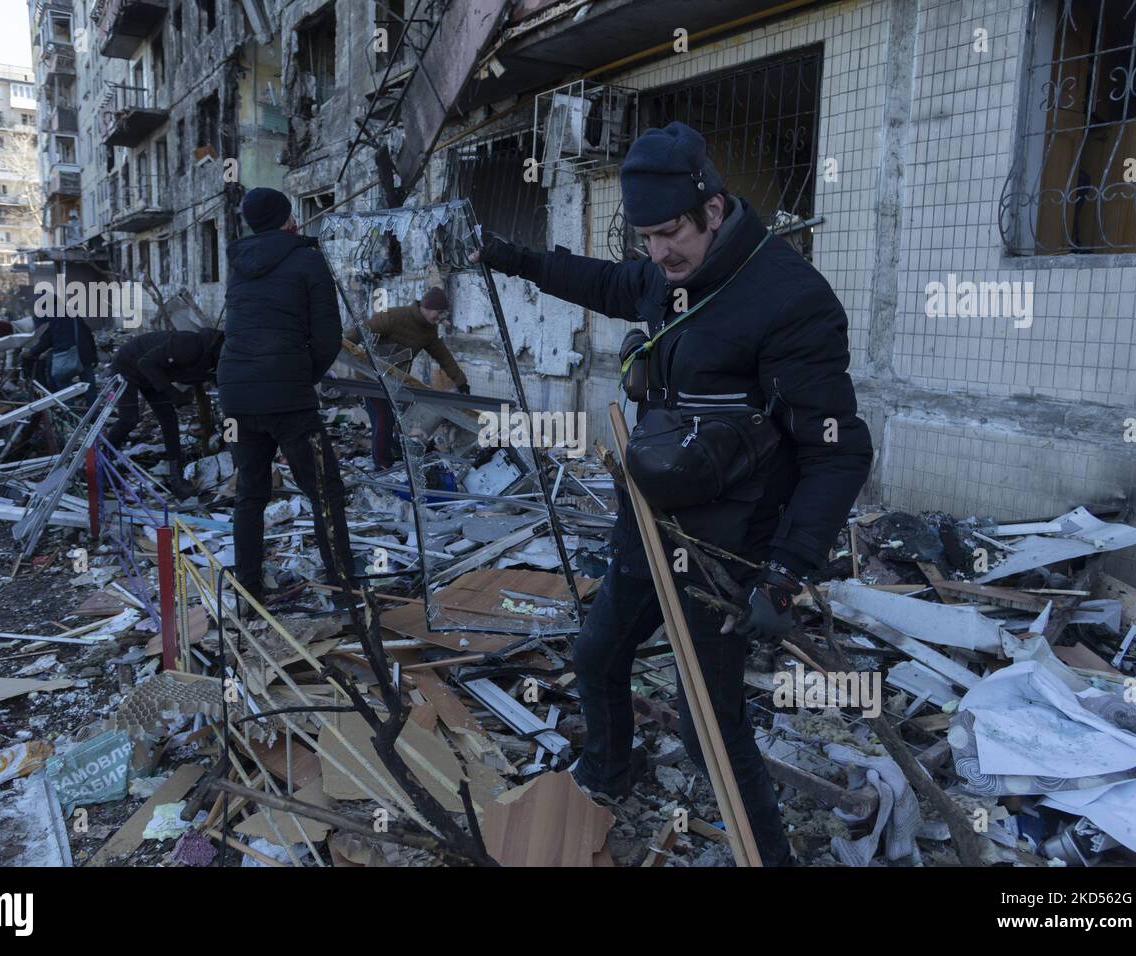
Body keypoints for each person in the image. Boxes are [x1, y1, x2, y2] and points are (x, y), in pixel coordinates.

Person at [470, 121, 873, 866]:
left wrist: (787, 573)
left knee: (708, 724)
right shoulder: (667, 275)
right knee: (597, 656)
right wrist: (513, 259)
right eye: (646, 237)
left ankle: (767, 856)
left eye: (670, 234)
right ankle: (607, 772)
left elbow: (839, 452)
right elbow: (607, 281)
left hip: (726, 549)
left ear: (713, 209)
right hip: (648, 523)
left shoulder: (789, 299)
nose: (658, 254)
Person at [216, 186, 354, 607]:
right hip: (288, 397)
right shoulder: (308, 259)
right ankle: (343, 586)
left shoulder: (239, 263)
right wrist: (299, 377)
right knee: (324, 490)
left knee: (250, 494)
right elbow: (329, 337)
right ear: (287, 217)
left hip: (235, 396)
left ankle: (249, 591)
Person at [344, 286, 469, 469]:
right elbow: (362, 330)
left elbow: (443, 356)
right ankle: (382, 464)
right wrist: (345, 347)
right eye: (438, 312)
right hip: (370, 378)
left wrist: (461, 381)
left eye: (443, 313)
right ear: (426, 307)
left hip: (394, 381)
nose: (440, 317)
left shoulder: (428, 331)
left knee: (392, 419)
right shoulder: (395, 316)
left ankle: (394, 449)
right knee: (384, 418)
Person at [104, 328, 224, 500]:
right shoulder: (190, 345)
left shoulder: (217, 360)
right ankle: (101, 463)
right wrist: (174, 394)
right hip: (128, 364)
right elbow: (146, 363)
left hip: (153, 373)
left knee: (169, 419)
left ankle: (176, 477)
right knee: (129, 418)